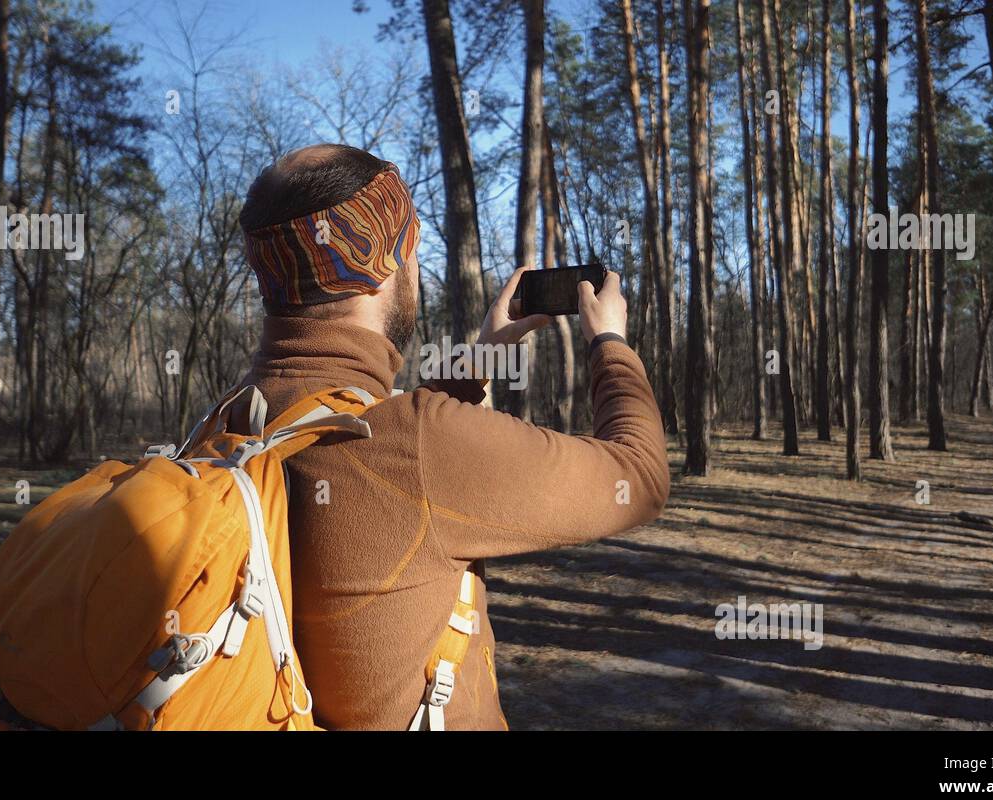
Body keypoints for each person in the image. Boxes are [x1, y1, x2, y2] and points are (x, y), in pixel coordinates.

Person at [236, 143, 670, 730]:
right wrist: (610, 344)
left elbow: (381, 437)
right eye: (411, 247)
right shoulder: (415, 445)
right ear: (387, 266)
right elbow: (639, 477)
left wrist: (481, 356)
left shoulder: (235, 420)